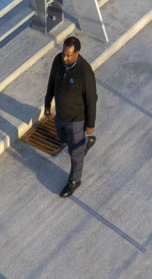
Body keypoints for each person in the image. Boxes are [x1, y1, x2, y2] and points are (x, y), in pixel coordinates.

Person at [42, 35, 98, 197]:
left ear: (77, 53)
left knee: (74, 153)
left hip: (76, 119)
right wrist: (47, 103)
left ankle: (74, 180)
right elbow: (51, 82)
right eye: (63, 53)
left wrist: (90, 123)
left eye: (68, 55)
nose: (64, 58)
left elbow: (91, 100)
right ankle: (84, 144)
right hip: (60, 114)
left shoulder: (85, 73)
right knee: (62, 138)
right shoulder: (57, 61)